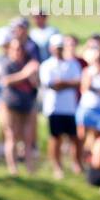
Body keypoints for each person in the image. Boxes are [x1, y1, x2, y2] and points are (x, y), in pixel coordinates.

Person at [40, 35, 84, 179]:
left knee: (74, 137)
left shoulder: (72, 64)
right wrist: (67, 83)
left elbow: (77, 82)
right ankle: (57, 165)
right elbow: (52, 85)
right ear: (51, 49)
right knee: (55, 138)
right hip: (54, 108)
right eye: (57, 48)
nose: (59, 51)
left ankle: (76, 163)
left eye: (61, 48)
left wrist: (62, 83)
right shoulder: (46, 65)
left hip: (70, 107)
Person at [0, 36, 39, 175]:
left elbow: (36, 84)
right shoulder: (7, 64)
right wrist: (25, 73)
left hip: (27, 105)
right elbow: (6, 81)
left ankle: (29, 167)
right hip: (11, 105)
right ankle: (13, 167)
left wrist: (33, 73)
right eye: (15, 49)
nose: (18, 52)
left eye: (21, 49)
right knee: (11, 136)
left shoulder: (29, 64)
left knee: (28, 138)